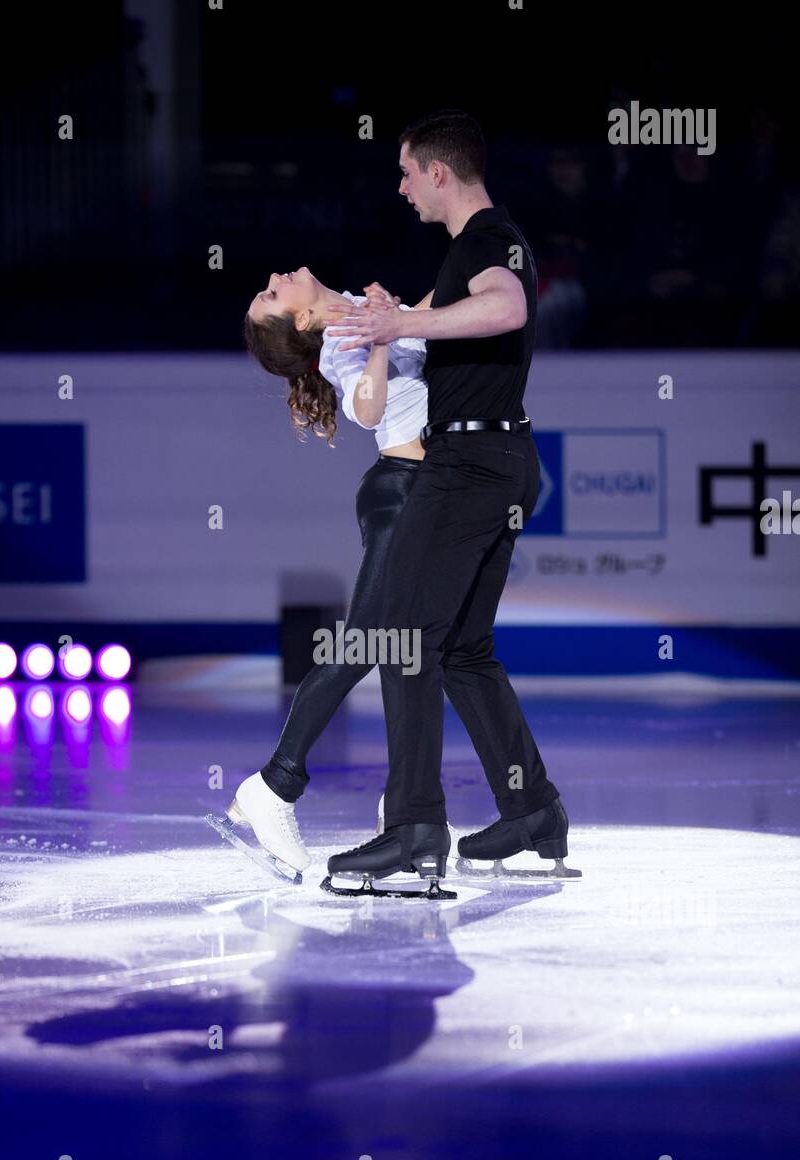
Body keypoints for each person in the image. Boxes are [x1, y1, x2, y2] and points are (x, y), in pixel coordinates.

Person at [324, 111, 572, 894]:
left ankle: (414, 827)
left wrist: (406, 319)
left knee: (402, 634)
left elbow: (506, 308)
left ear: (439, 171)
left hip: (469, 463)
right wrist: (384, 322)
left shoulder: (488, 241)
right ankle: (531, 809)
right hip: (498, 460)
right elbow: (421, 326)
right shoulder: (467, 252)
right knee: (462, 647)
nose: (400, 189)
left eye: (405, 173)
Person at [218, 267, 449, 878]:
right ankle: (274, 786)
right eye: (271, 292)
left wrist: (416, 300)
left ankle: (404, 805)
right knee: (365, 645)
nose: (273, 276)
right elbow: (369, 411)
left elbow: (424, 332)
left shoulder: (352, 305)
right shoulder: (342, 344)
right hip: (400, 494)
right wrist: (381, 335)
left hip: (427, 492)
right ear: (300, 321)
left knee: (416, 653)